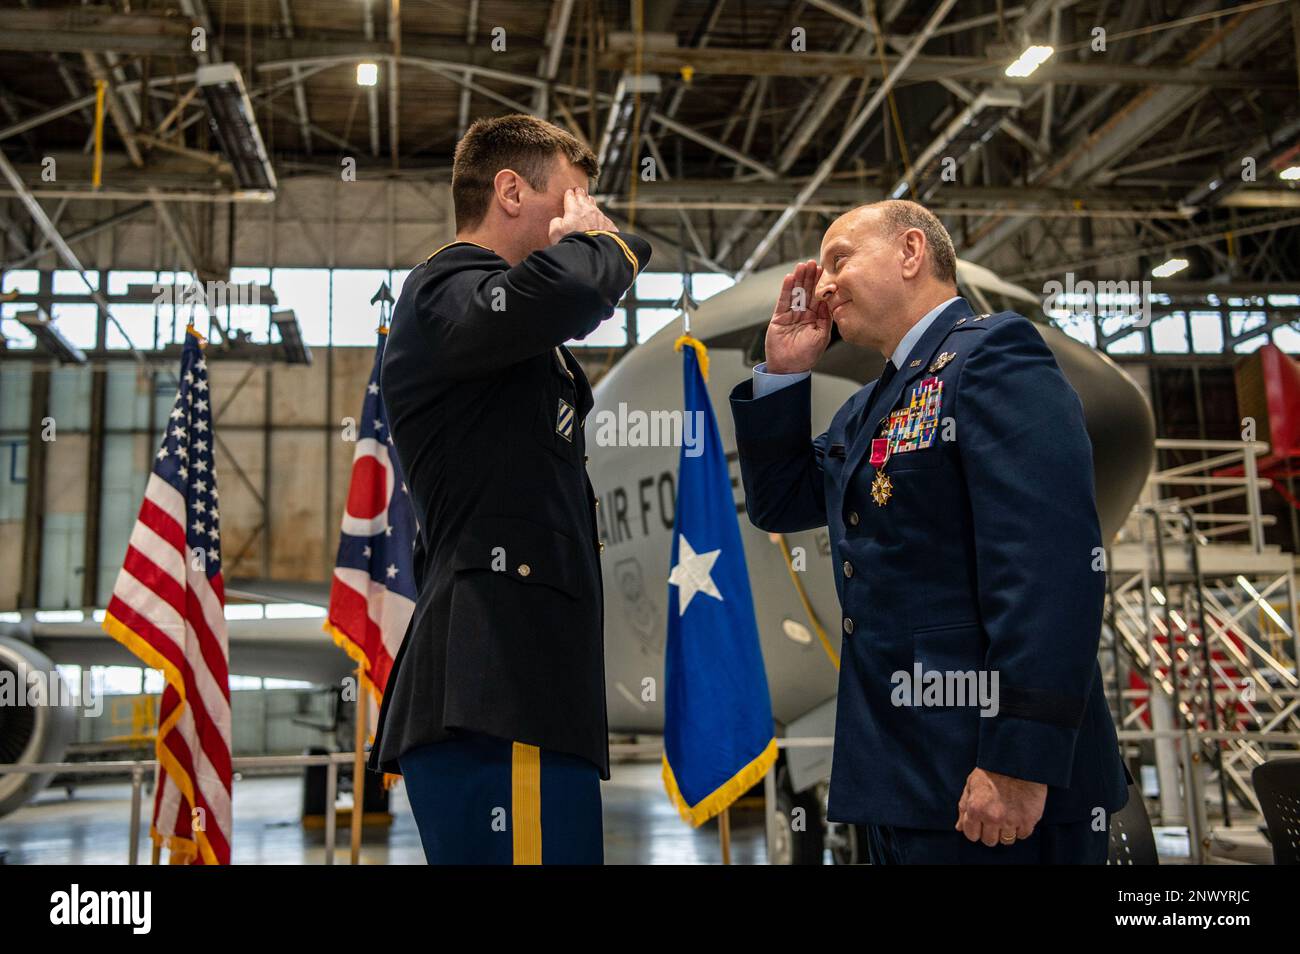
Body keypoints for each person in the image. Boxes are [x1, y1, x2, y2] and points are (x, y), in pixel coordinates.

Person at [729, 199, 1128, 864]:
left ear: (912, 253)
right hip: (907, 780)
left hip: (989, 785)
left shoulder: (995, 356)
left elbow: (1049, 571)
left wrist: (1018, 762)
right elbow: (779, 502)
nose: (823, 283)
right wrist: (784, 373)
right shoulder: (869, 407)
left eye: (840, 259)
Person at [368, 114, 650, 864]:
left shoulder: (513, 338)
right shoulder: (443, 290)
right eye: (575, 197)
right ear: (511, 190)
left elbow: (556, 305)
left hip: (526, 693)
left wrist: (589, 254)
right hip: (495, 688)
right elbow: (568, 290)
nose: (588, 216)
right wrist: (600, 246)